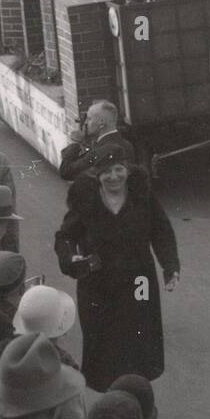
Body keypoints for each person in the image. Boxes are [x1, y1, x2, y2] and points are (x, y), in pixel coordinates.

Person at [54, 157, 178, 392]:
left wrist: (170, 267)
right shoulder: (86, 202)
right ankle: (114, 401)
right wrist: (69, 258)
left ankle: (140, 399)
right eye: (106, 171)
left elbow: (162, 232)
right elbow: (65, 237)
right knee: (106, 351)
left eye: (119, 169)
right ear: (97, 175)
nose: (114, 176)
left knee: (139, 344)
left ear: (128, 171)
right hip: (98, 287)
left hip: (139, 283)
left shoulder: (142, 198)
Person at [58, 99, 135, 183]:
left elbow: (66, 172)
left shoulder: (101, 150)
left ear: (101, 123)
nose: (86, 123)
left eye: (89, 119)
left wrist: (75, 144)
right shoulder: (125, 144)